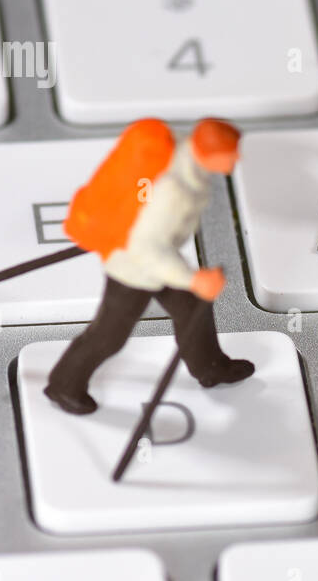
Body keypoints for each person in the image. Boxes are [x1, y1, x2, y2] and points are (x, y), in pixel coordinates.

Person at [44, 118, 253, 415]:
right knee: (108, 336)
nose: (238, 158)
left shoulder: (186, 158)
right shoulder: (173, 192)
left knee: (192, 309)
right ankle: (64, 385)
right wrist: (194, 279)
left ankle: (210, 367)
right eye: (232, 152)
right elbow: (147, 248)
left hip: (156, 261)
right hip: (133, 270)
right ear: (211, 153)